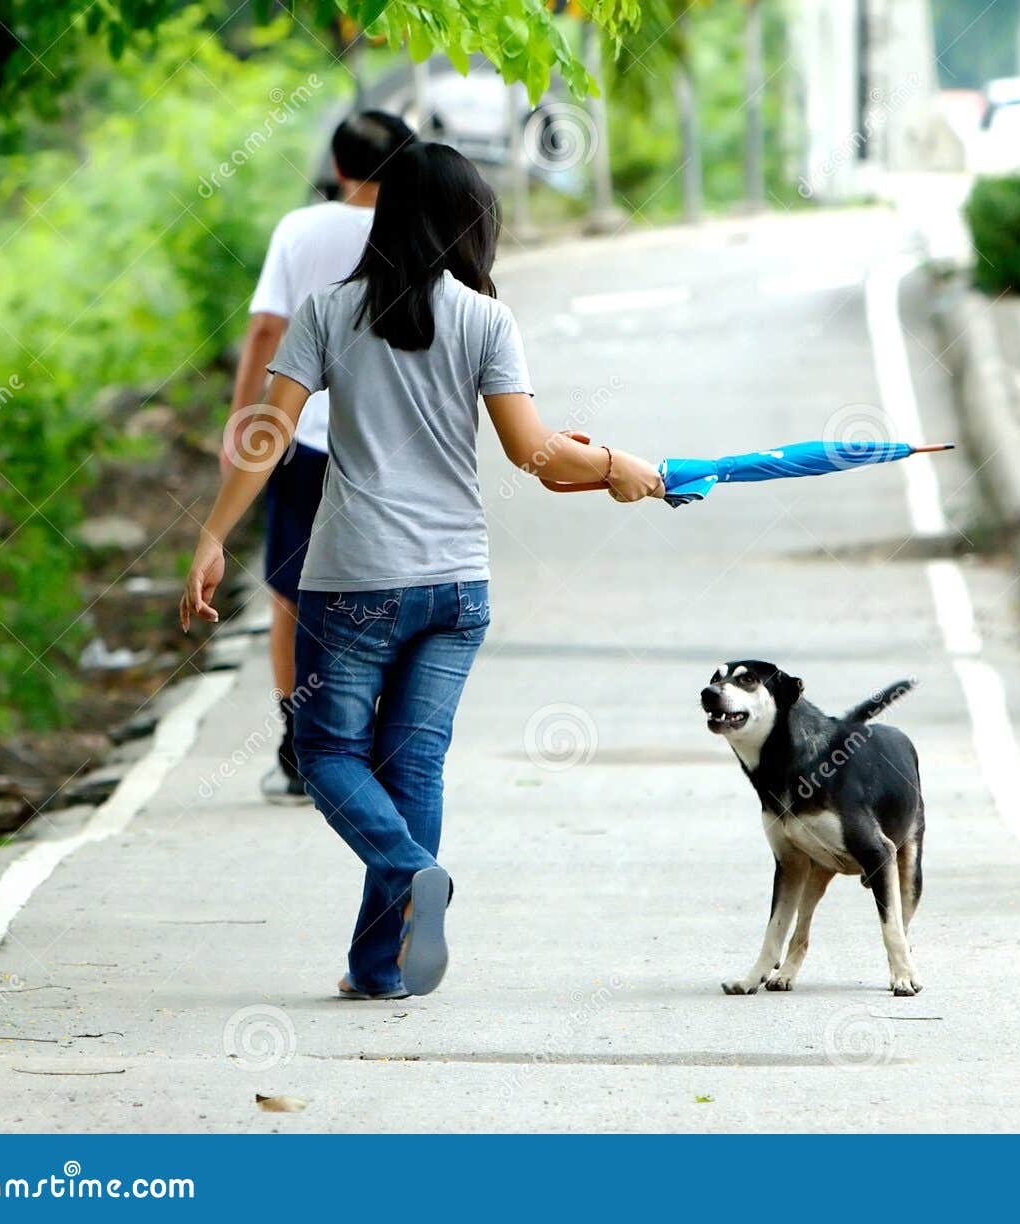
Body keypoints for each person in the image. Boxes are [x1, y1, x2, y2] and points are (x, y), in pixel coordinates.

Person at [181, 142, 664, 999]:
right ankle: (379, 967)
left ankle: (408, 873)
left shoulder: (328, 312)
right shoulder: (487, 319)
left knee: (328, 748)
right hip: (455, 584)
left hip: (355, 575)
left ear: (386, 214)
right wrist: (619, 467)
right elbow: (536, 456)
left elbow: (269, 433)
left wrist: (215, 532)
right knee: (415, 767)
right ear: (470, 223)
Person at [223, 110, 415, 803]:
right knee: (387, 591)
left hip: (303, 434)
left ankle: (300, 744)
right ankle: (374, 743)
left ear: (338, 168)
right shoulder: (418, 232)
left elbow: (265, 329)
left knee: (292, 595)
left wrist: (246, 420)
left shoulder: (300, 229)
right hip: (395, 443)